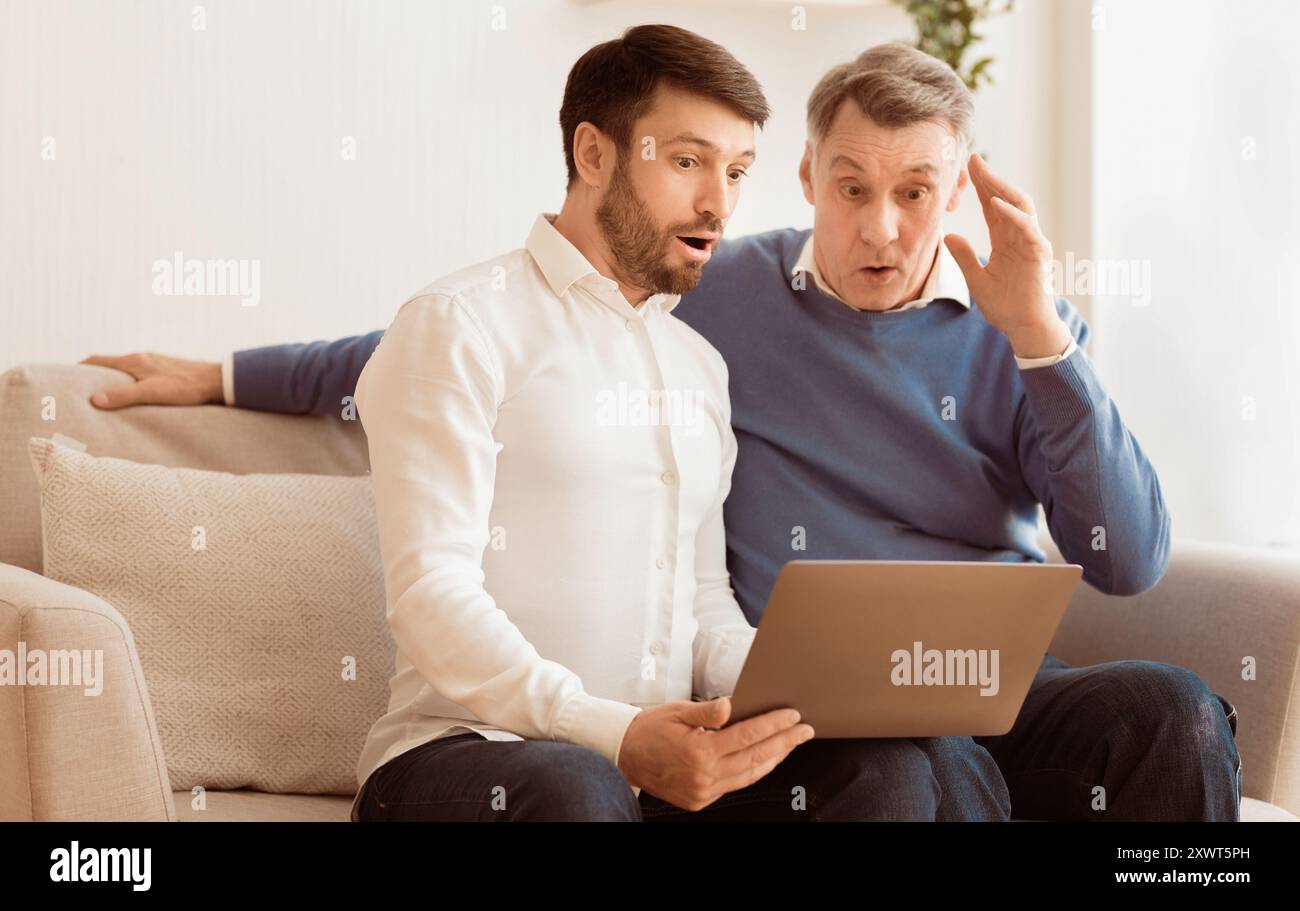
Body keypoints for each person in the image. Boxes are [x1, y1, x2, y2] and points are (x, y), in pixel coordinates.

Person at [85, 40, 1240, 821]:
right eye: (848, 186)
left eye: (915, 192)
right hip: (689, 718)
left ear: (961, 193)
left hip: (973, 684)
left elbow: (1123, 560)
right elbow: (438, 348)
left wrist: (1041, 335)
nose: (880, 226)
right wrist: (224, 370)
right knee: (887, 767)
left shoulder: (994, 329)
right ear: (810, 176)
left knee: (1172, 711)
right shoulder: (712, 292)